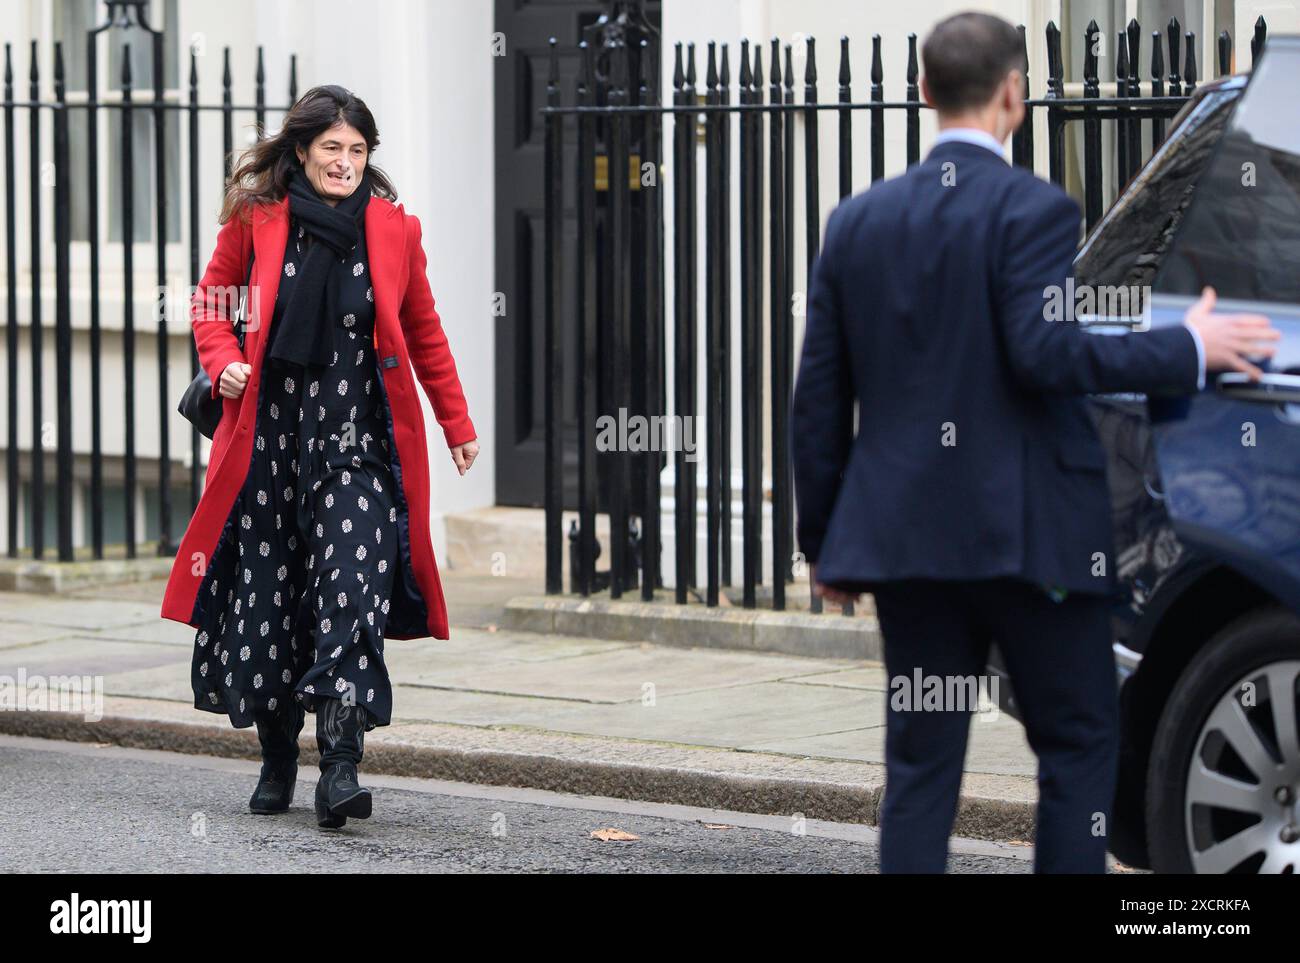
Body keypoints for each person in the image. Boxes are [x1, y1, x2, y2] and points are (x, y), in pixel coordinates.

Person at [790, 12, 1279, 873]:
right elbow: (1048, 351)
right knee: (1078, 748)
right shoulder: (1035, 211)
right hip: (1033, 543)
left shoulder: (856, 223)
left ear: (923, 92)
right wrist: (1189, 347)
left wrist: (823, 540)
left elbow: (818, 402)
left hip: (908, 544)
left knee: (920, 771)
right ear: (1014, 95)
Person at [160, 85, 479, 829]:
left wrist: (456, 422)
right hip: (267, 447)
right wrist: (222, 361)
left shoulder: (394, 230)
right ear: (302, 150)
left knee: (350, 585)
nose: (345, 162)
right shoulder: (256, 219)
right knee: (267, 601)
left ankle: (340, 764)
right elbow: (212, 301)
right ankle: (278, 753)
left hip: (353, 446)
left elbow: (424, 331)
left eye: (358, 151)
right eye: (332, 148)